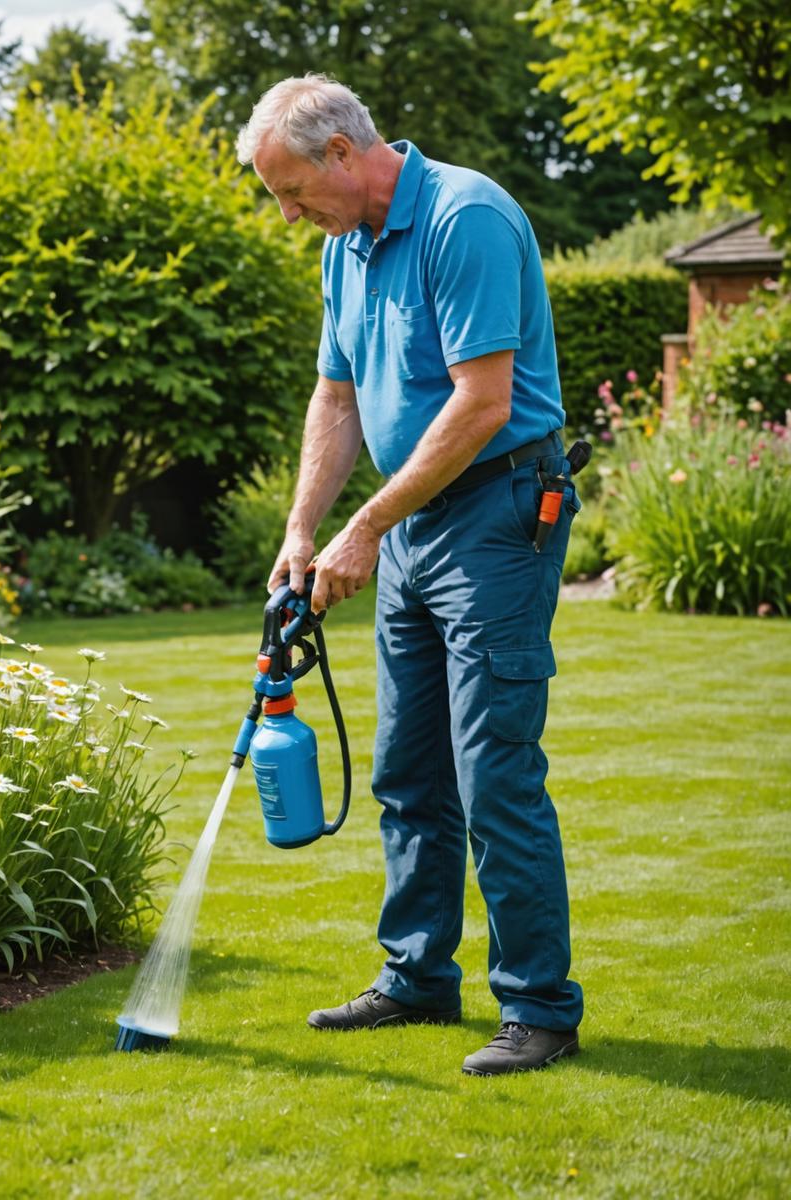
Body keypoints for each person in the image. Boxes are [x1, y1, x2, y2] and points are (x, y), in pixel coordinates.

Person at [235, 74, 584, 1076]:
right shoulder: (347, 250)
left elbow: (482, 403)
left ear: (343, 154)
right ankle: (420, 974)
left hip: (499, 511)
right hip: (417, 524)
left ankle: (539, 1008)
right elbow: (336, 398)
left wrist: (369, 526)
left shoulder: (465, 217)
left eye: (292, 191)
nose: (292, 215)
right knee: (409, 769)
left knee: (493, 768)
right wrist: (305, 528)